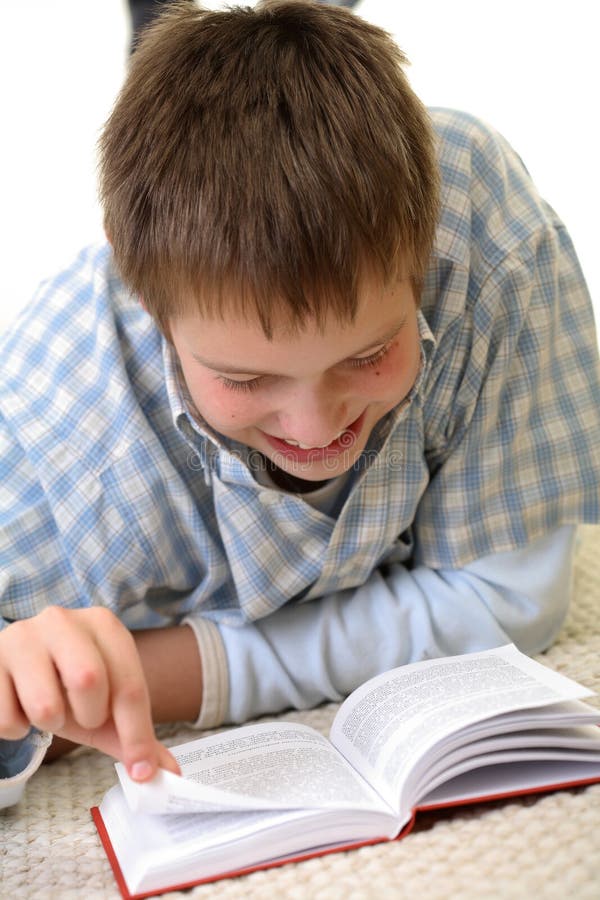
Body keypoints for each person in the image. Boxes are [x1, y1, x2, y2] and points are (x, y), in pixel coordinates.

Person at [1, 0, 599, 809]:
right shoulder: (64, 426)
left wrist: (152, 669)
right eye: (245, 380)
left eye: (370, 353)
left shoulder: (485, 232)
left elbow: (512, 598)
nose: (317, 429)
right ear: (153, 315)